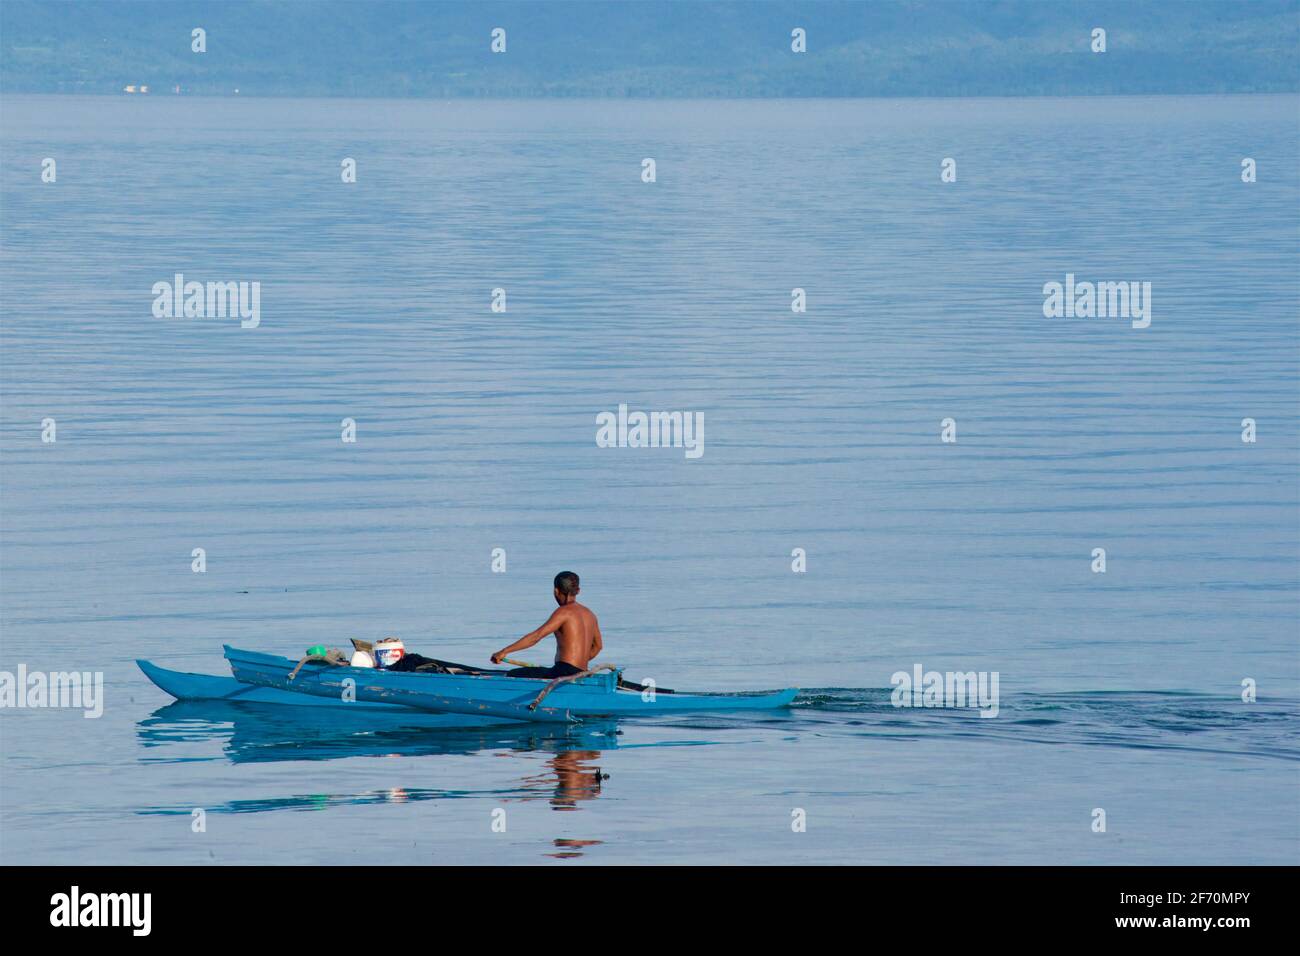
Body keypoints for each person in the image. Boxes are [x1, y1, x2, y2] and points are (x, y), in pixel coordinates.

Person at [492, 572, 602, 679]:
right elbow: (598, 646)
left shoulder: (563, 612)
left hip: (563, 672)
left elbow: (536, 637)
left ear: (556, 591)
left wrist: (504, 652)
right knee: (540, 671)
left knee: (513, 674)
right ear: (578, 591)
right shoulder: (590, 614)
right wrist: (578, 661)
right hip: (581, 672)